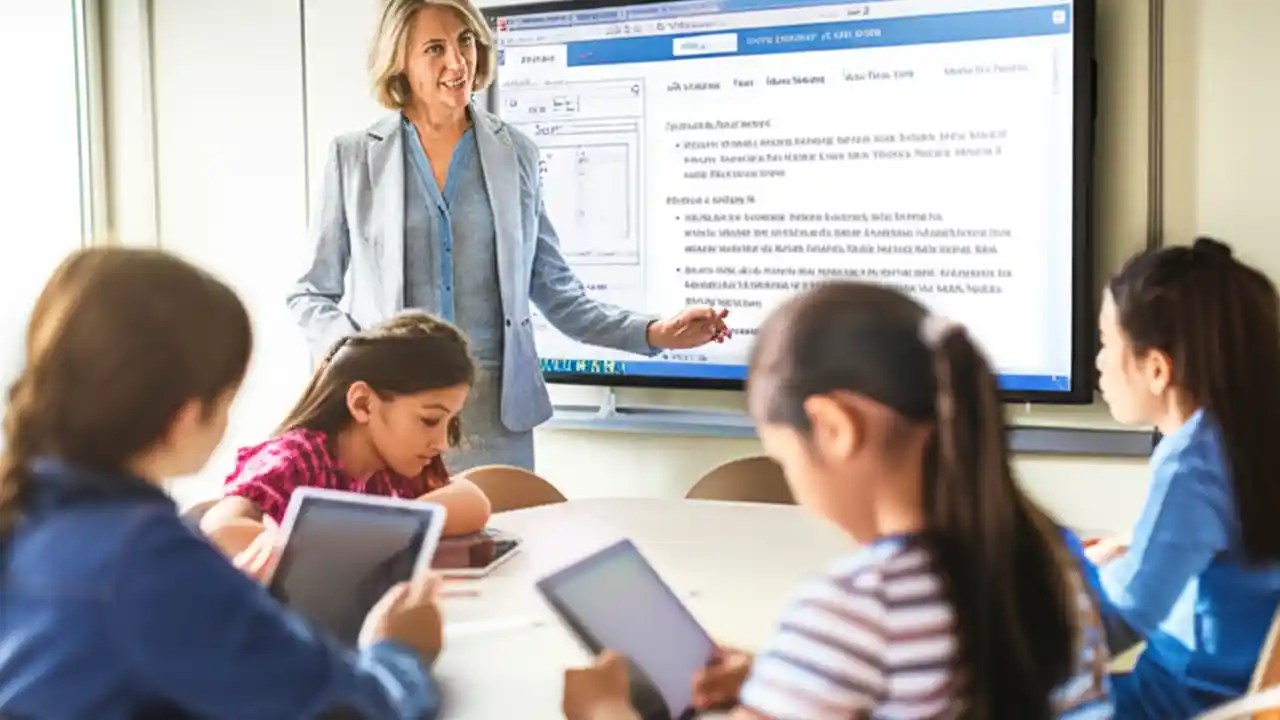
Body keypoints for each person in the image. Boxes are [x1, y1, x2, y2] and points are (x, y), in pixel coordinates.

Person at [563, 282, 1113, 719]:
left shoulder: (859, 606)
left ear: (834, 427)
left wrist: (606, 710)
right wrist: (785, 679)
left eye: (785, 458)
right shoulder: (1054, 565)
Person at [0, 248, 445, 719]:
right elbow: (354, 709)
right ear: (186, 416)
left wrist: (220, 596)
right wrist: (399, 649)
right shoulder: (145, 558)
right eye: (229, 396)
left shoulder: (31, 515)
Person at [288, 0, 729, 474]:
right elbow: (310, 293)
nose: (457, 62)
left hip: (495, 419)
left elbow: (558, 293)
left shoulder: (516, 154)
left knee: (510, 542)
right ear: (399, 59)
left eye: (465, 41)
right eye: (435, 48)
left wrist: (652, 331)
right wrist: (360, 357)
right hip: (393, 413)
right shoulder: (353, 158)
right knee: (403, 546)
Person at [1089, 237, 1280, 717]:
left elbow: (1124, 618)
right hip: (1242, 692)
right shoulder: (1248, 437)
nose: (1099, 362)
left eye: (1106, 344)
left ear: (1156, 368)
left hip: (1182, 701)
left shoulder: (1192, 464)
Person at [200, 310, 492, 560]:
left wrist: (381, 530)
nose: (441, 442)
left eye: (450, 423)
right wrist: (352, 542)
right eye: (429, 420)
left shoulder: (397, 467)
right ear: (363, 404)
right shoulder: (296, 461)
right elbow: (220, 531)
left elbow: (473, 502)